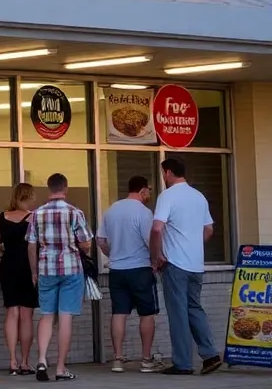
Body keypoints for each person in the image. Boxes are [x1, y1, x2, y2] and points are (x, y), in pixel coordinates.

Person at [151, 157, 222, 376]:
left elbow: (156, 229)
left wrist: (156, 255)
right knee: (194, 308)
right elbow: (208, 229)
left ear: (169, 173)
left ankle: (182, 363)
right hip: (195, 264)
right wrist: (192, 244)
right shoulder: (198, 196)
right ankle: (210, 355)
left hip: (174, 264)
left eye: (164, 174)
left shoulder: (168, 196)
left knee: (178, 313)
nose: (163, 178)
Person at [26, 173, 92, 382]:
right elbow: (86, 243)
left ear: (49, 188)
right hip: (71, 270)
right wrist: (81, 247)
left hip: (46, 269)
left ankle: (43, 360)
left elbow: (31, 245)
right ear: (65, 187)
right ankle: (61, 368)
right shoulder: (74, 213)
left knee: (46, 315)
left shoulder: (36, 214)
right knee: (65, 317)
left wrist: (34, 271)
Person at [97, 175, 160, 373]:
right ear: (142, 191)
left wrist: (112, 253)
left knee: (119, 313)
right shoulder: (144, 212)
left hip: (117, 270)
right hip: (140, 269)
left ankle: (117, 359)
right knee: (147, 314)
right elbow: (151, 241)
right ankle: (146, 359)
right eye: (148, 190)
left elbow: (100, 239)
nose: (149, 193)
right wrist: (155, 260)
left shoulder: (112, 209)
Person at [0, 182, 38, 375]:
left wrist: (4, 255)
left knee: (11, 313)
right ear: (29, 196)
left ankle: (12, 361)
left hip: (8, 267)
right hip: (27, 267)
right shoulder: (33, 218)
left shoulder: (2, 217)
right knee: (26, 316)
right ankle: (25, 362)